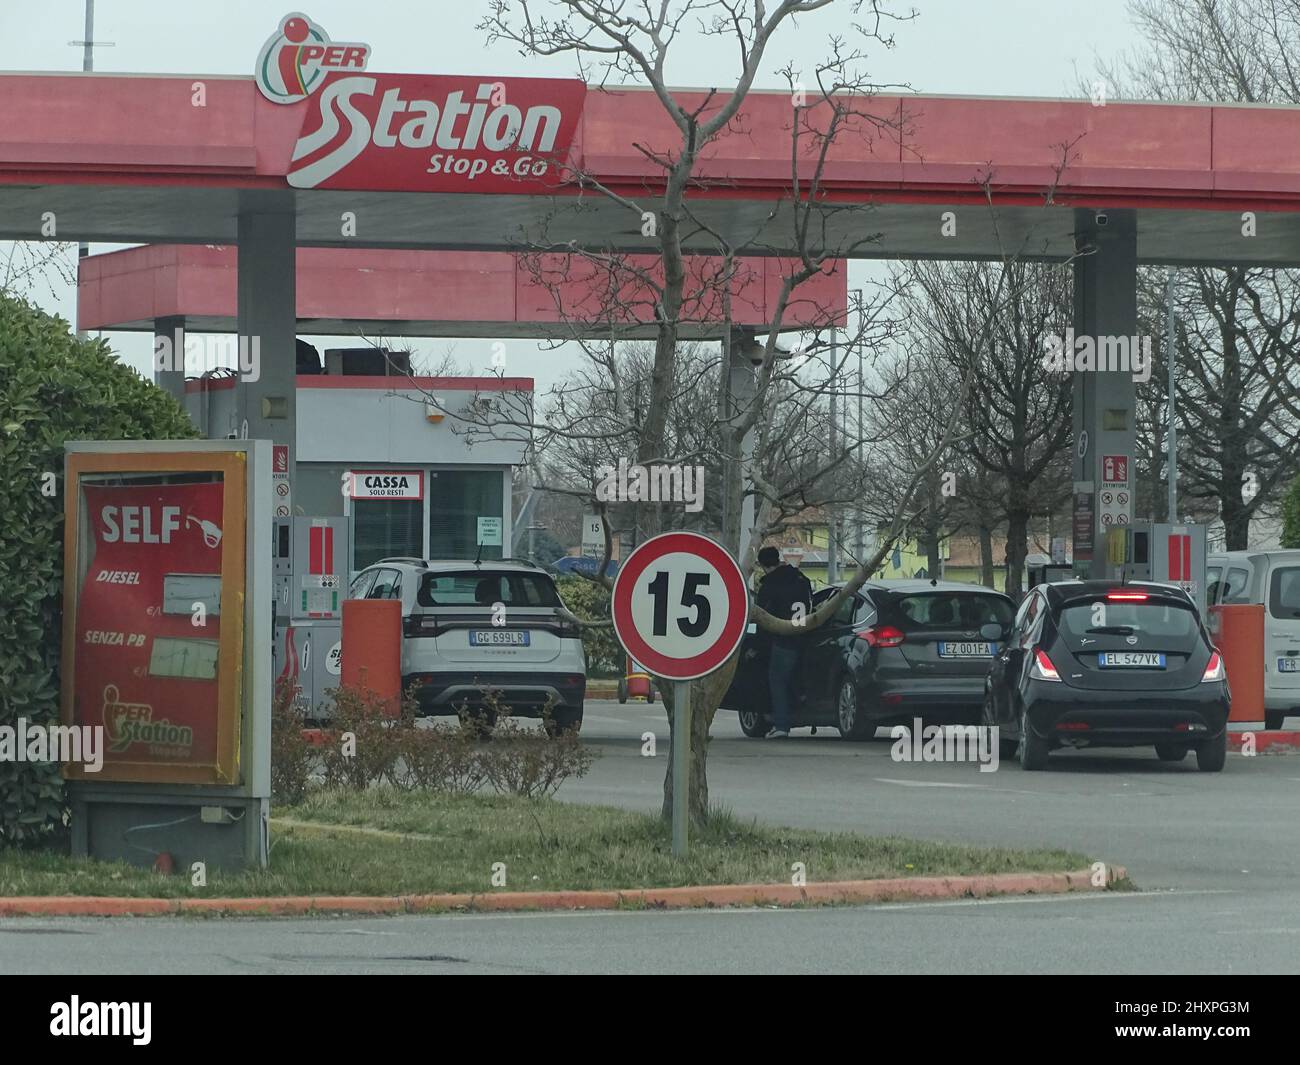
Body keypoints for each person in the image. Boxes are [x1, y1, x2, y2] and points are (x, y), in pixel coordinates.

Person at [755, 546, 813, 738]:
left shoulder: (770, 585)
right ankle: (801, 709)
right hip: (806, 638)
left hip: (783, 640)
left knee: (778, 680)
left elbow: (761, 617)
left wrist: (756, 647)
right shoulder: (801, 579)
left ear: (763, 565)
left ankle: (781, 725)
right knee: (797, 679)